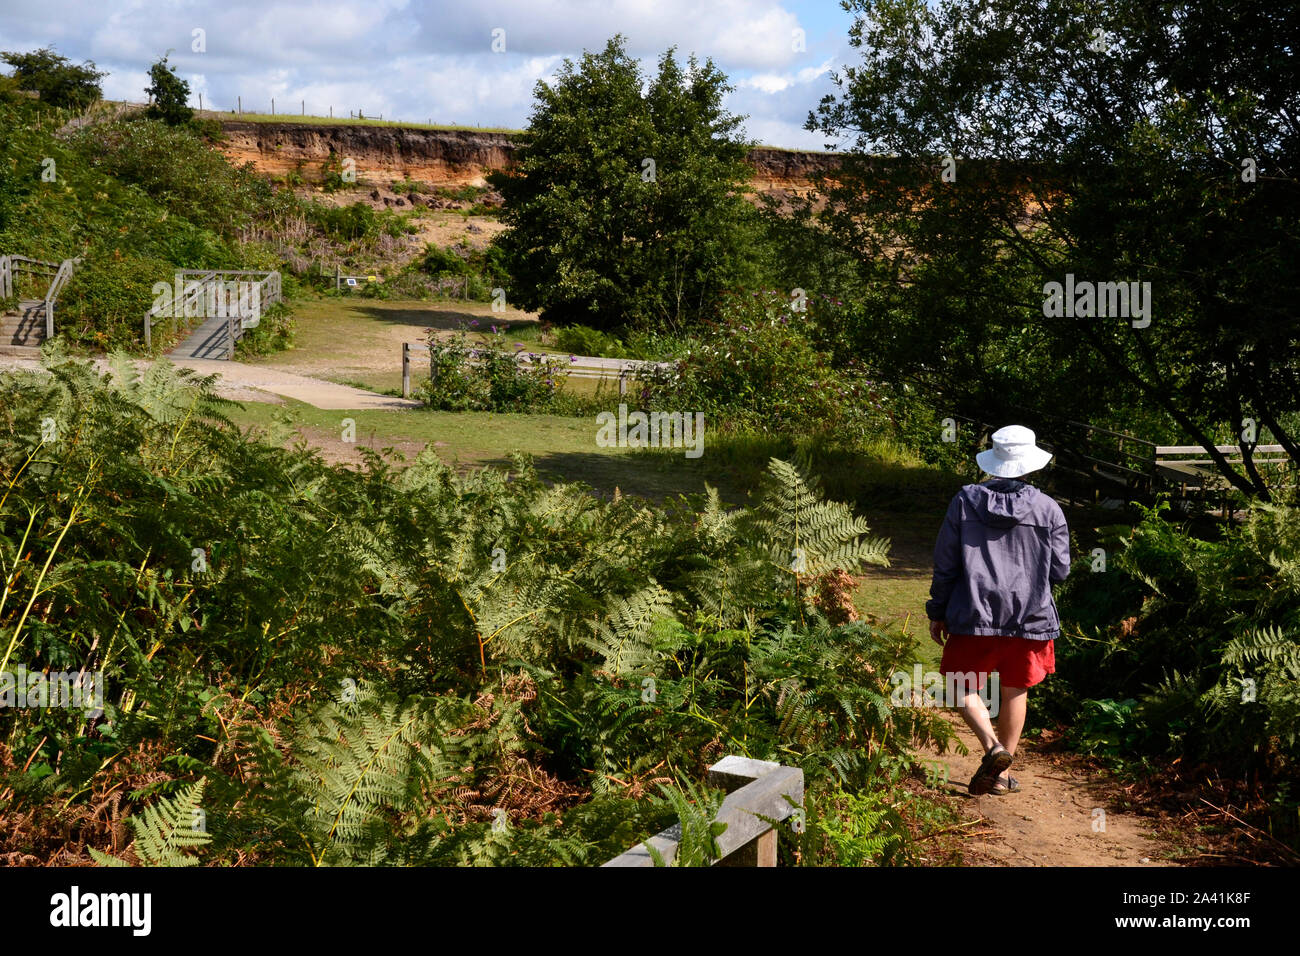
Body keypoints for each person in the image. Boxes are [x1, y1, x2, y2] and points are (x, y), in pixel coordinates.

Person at [926, 424, 1071, 796]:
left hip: (972, 614)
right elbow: (1061, 571)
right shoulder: (1049, 509)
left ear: (994, 460)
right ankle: (1003, 776)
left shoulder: (964, 501)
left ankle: (993, 749)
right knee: (1015, 691)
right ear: (1032, 463)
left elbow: (945, 563)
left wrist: (937, 609)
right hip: (1030, 617)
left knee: (960, 686)